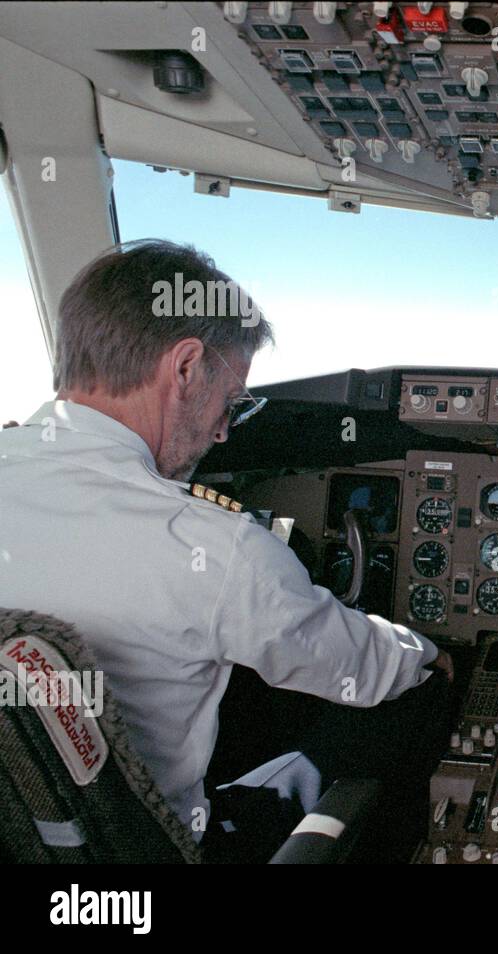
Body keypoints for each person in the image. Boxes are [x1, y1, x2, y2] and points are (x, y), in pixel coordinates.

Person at [0, 239, 452, 861]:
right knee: (410, 701)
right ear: (185, 368)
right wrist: (432, 653)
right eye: (232, 402)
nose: (221, 430)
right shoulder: (208, 544)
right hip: (150, 851)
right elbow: (363, 668)